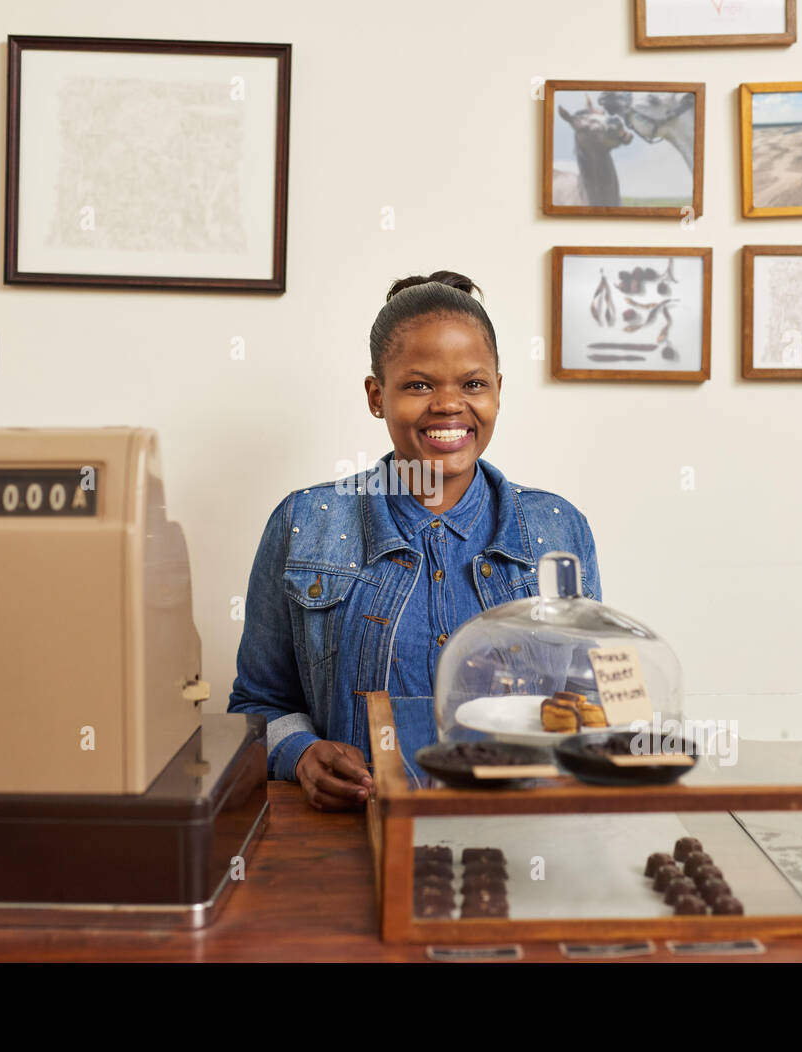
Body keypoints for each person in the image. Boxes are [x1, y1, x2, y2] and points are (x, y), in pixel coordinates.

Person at [227, 271, 601, 811]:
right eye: (419, 385)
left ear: (499, 390)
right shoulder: (304, 523)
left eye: (473, 384)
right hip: (358, 833)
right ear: (377, 396)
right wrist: (301, 753)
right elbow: (258, 703)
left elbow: (588, 705)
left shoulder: (560, 528)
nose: (449, 405)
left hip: (522, 836)